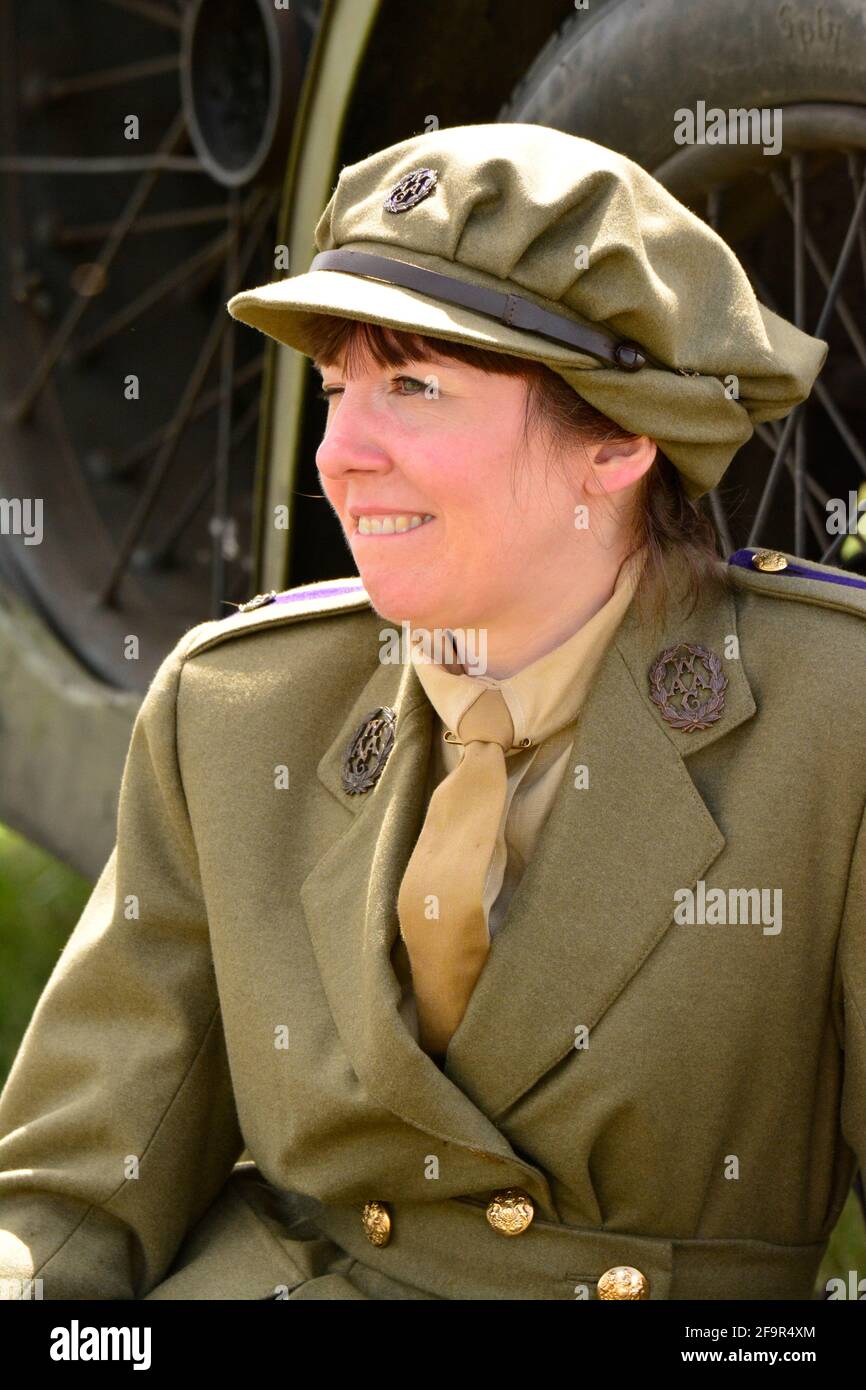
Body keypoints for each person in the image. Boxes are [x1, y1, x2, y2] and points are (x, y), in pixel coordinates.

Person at [0, 122, 864, 1302]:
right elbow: (78, 1189)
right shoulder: (238, 706)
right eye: (335, 387)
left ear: (616, 438)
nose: (340, 455)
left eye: (413, 386)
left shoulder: (831, 726)